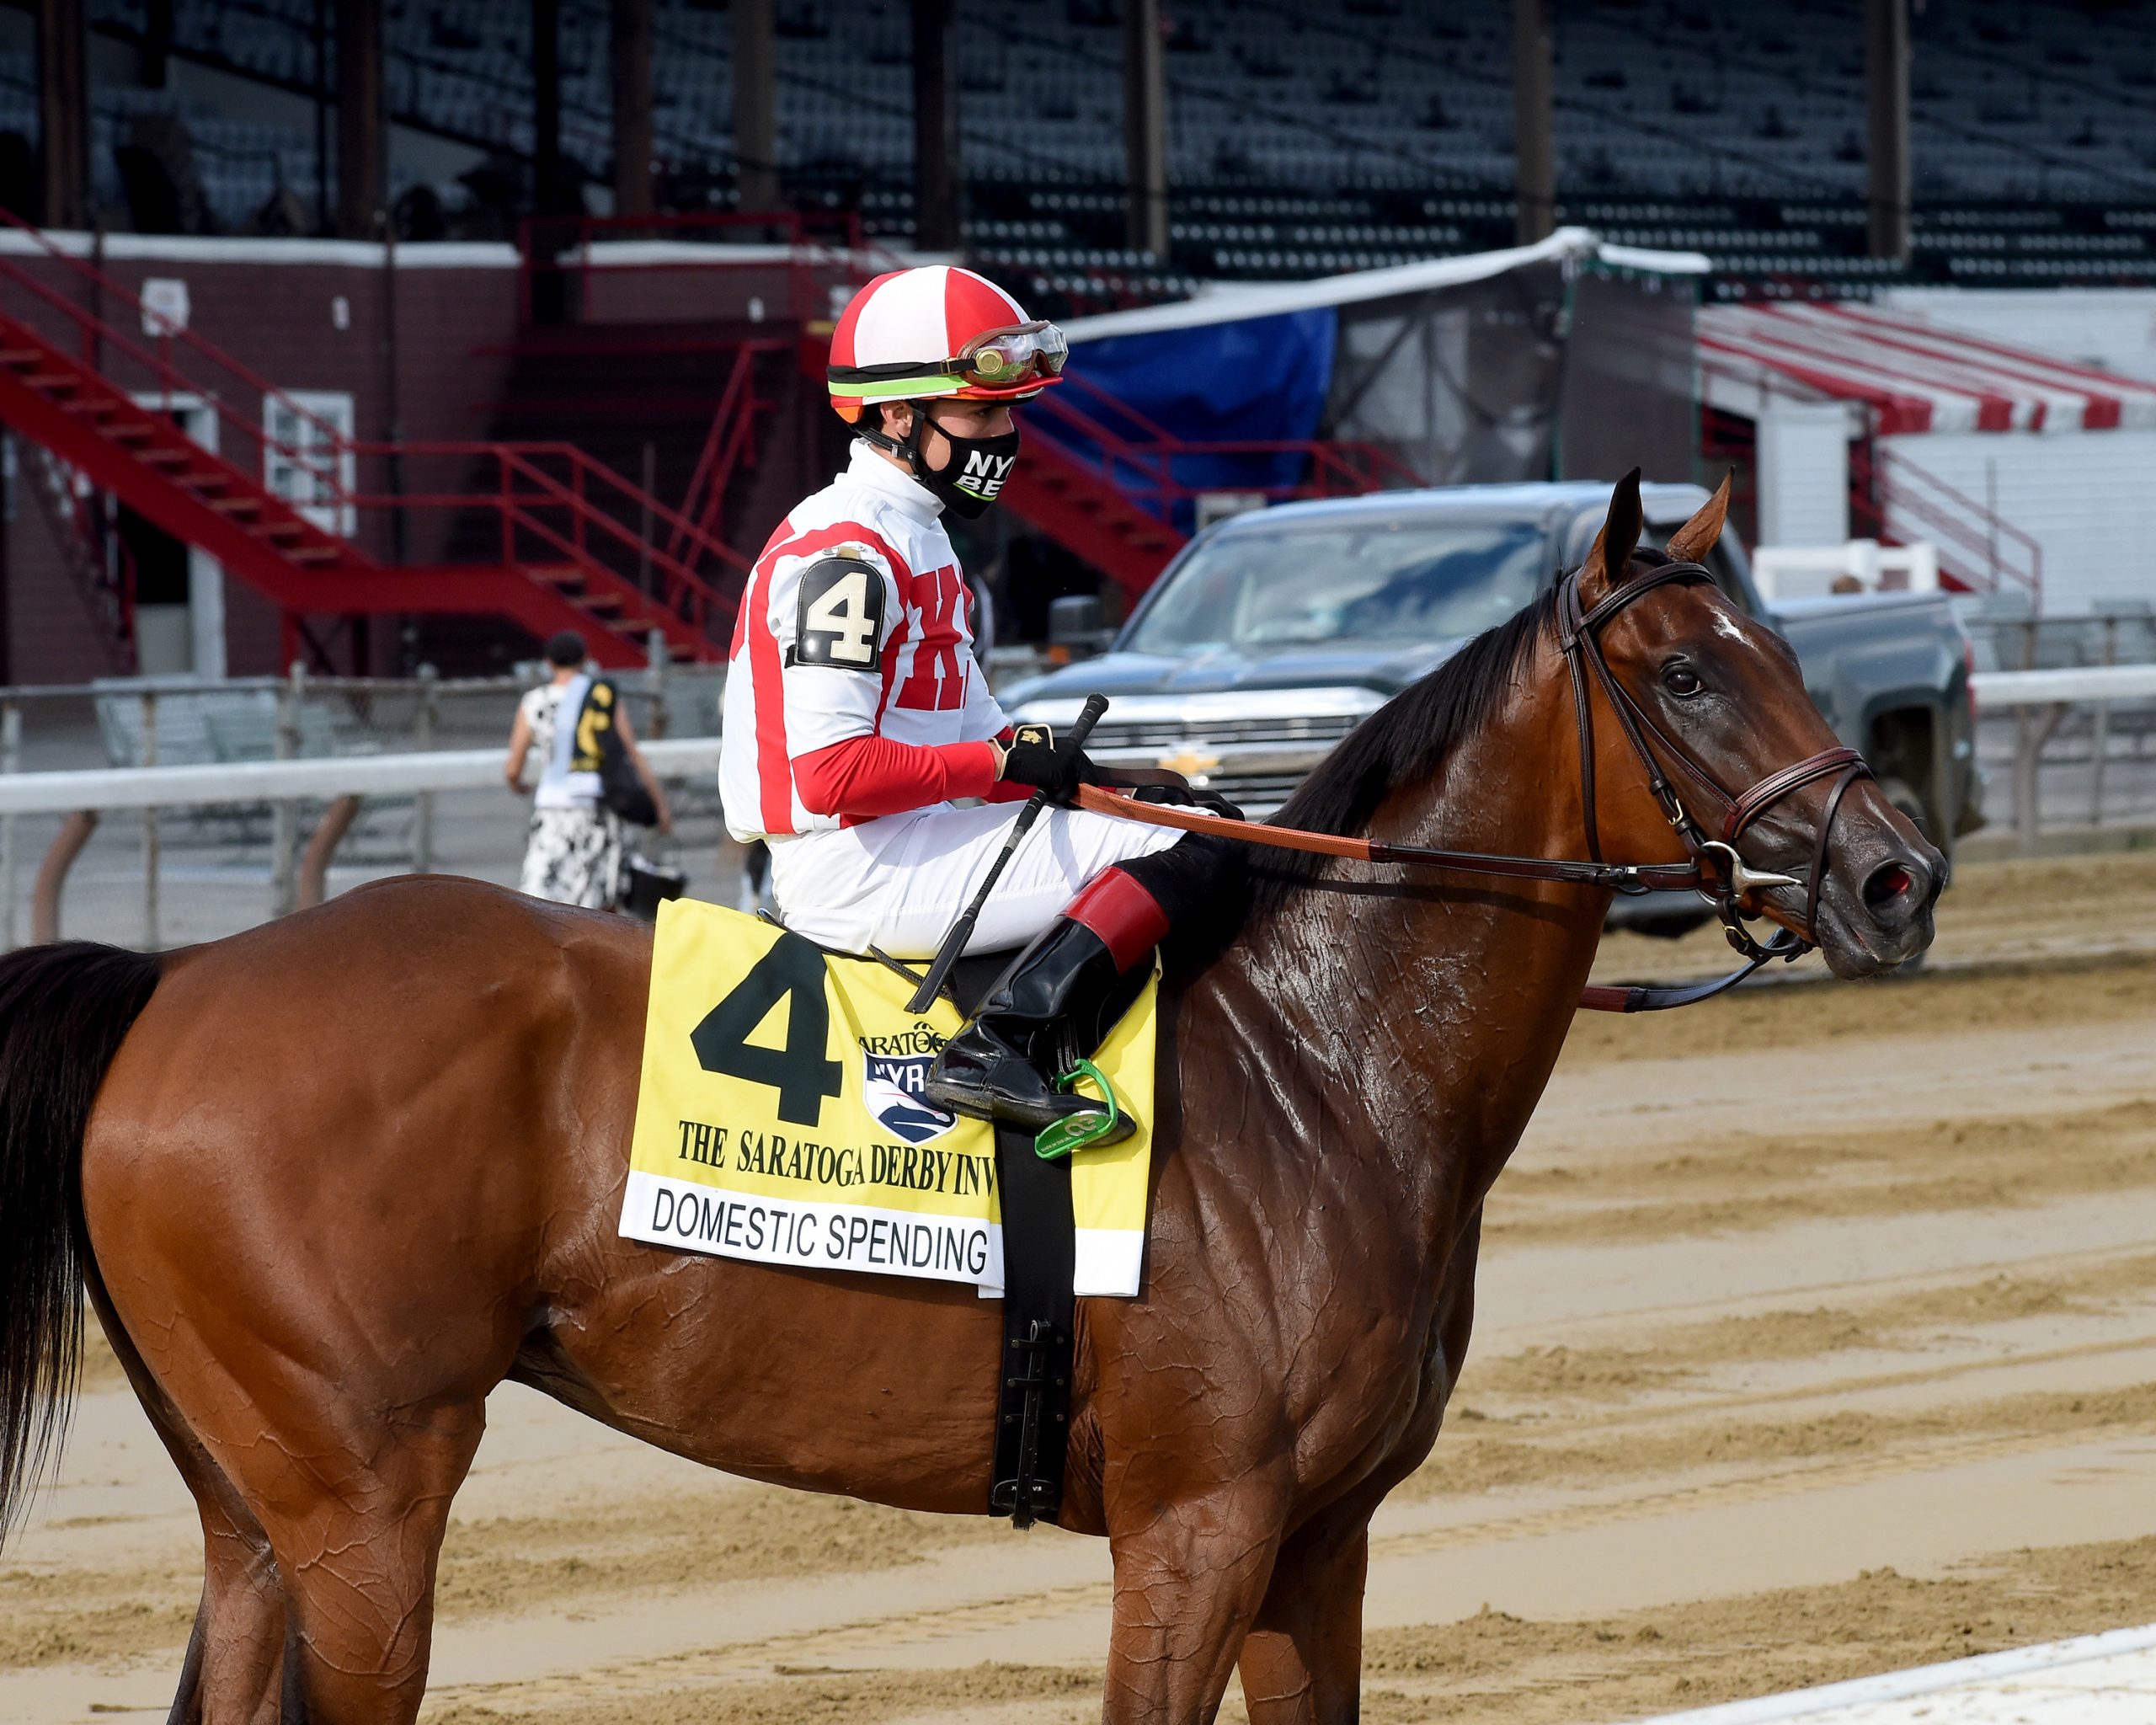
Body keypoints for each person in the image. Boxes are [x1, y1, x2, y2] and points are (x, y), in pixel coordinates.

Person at [718, 264, 1230, 1146]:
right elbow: (835, 772)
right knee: (1195, 844)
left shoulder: (917, 536)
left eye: (1010, 413)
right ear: (893, 415)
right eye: (983, 411)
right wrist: (1003, 764)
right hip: (854, 865)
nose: (1006, 434)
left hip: (907, 837)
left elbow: (976, 739)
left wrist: (1100, 779)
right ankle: (1004, 1042)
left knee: (1193, 813)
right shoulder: (845, 555)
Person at [506, 630, 671, 910]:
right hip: (598, 809)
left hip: (553, 813)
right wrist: (660, 806)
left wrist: (518, 786)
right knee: (600, 903)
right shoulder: (600, 695)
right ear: (585, 660)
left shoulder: (533, 702)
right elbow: (631, 751)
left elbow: (513, 769)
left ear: (548, 663)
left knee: (543, 901)